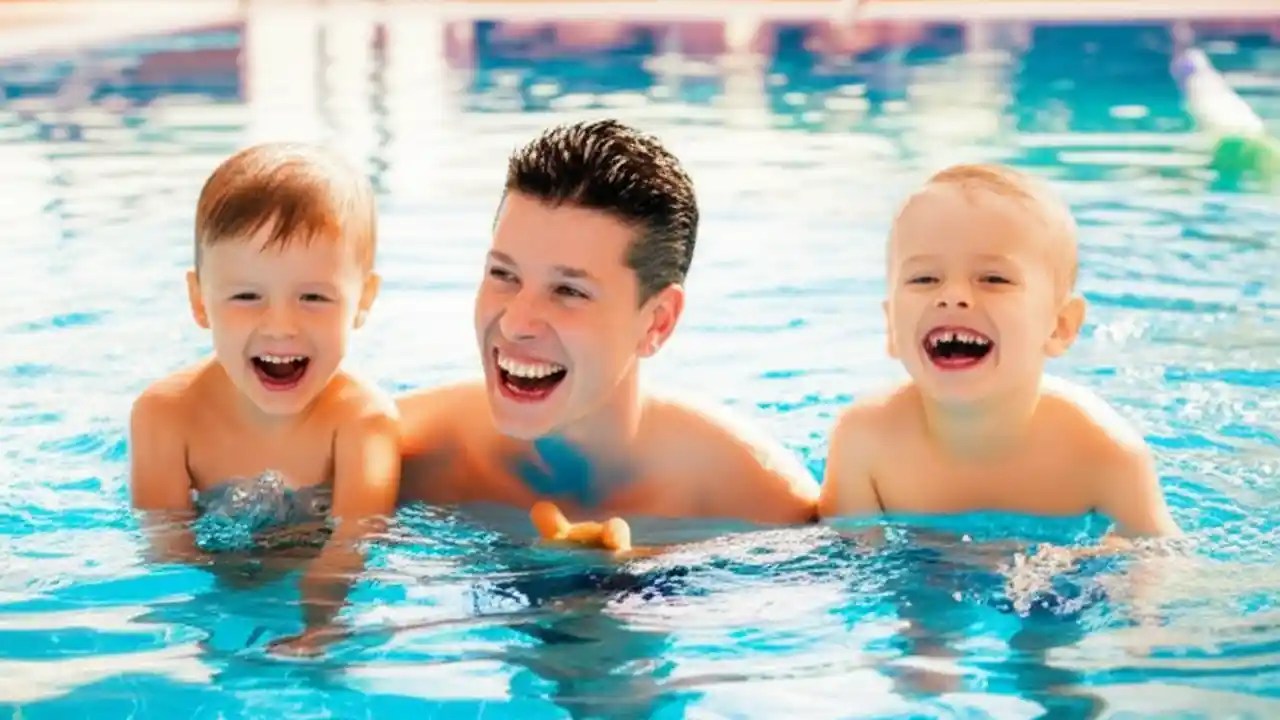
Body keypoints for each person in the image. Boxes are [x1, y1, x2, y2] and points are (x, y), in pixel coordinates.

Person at [397, 119, 818, 547]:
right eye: (504, 274)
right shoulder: (399, 453)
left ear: (657, 322)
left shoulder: (766, 507)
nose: (515, 324)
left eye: (568, 291)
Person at [128, 141, 399, 654]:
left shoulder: (364, 421)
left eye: (314, 297)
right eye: (247, 296)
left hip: (312, 579)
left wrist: (318, 619)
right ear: (199, 300)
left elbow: (355, 544)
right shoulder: (165, 416)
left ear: (362, 301)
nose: (280, 325)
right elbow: (168, 550)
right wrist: (211, 623)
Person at [818, 163, 1180, 544]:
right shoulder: (866, 440)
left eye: (994, 279)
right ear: (892, 326)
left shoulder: (1102, 453)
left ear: (1059, 326)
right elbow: (850, 565)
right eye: (924, 278)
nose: (953, 295)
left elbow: (1155, 565)